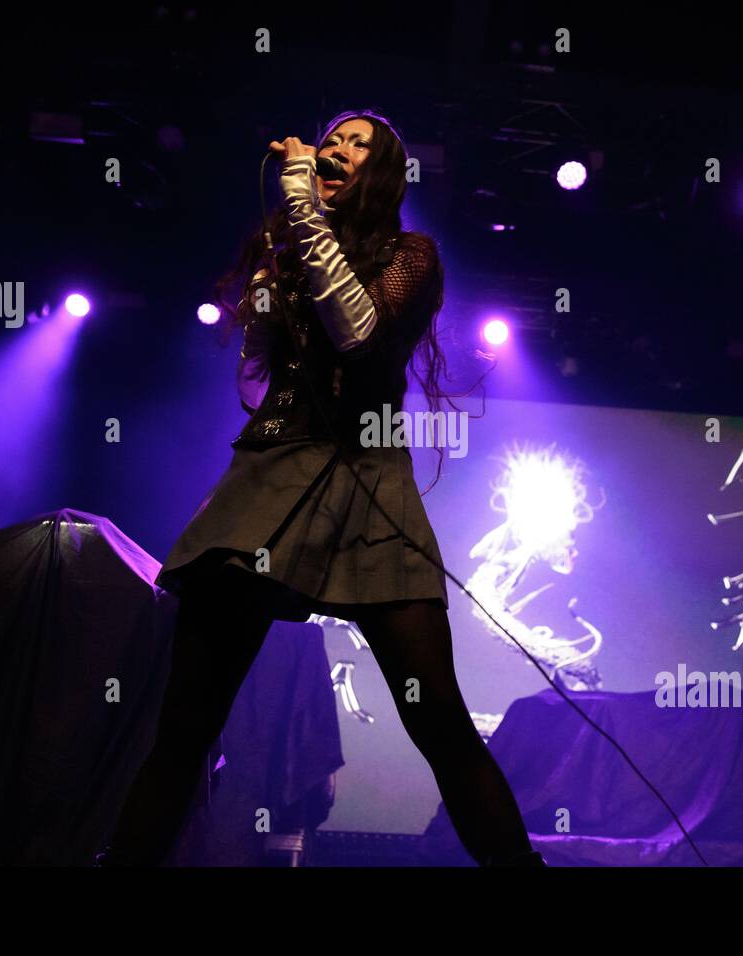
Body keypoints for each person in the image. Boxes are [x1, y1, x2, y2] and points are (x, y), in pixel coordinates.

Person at [96, 109, 545, 867]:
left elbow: (361, 335)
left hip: (367, 480)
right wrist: (273, 283)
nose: (333, 149)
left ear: (383, 172)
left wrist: (303, 205)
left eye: (353, 144)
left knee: (438, 721)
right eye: (329, 140)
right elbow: (268, 362)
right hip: (269, 477)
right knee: (185, 727)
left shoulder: (414, 253)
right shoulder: (299, 247)